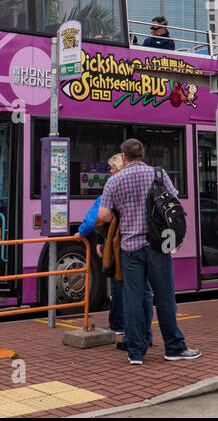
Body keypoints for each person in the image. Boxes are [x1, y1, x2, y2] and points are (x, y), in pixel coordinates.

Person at [96, 138, 200, 364]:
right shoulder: (158, 174)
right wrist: (178, 236)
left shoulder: (115, 181)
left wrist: (119, 212)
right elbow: (175, 206)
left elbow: (103, 215)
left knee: (133, 299)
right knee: (164, 298)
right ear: (142, 154)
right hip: (158, 245)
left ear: (123, 157)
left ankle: (135, 352)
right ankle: (173, 347)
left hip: (129, 248)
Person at [76, 154, 153, 350]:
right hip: (147, 245)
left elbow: (99, 215)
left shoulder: (115, 185)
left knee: (125, 288)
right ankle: (145, 335)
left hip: (124, 246)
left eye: (112, 168)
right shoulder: (144, 182)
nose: (109, 172)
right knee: (144, 291)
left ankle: (127, 333)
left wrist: (83, 233)